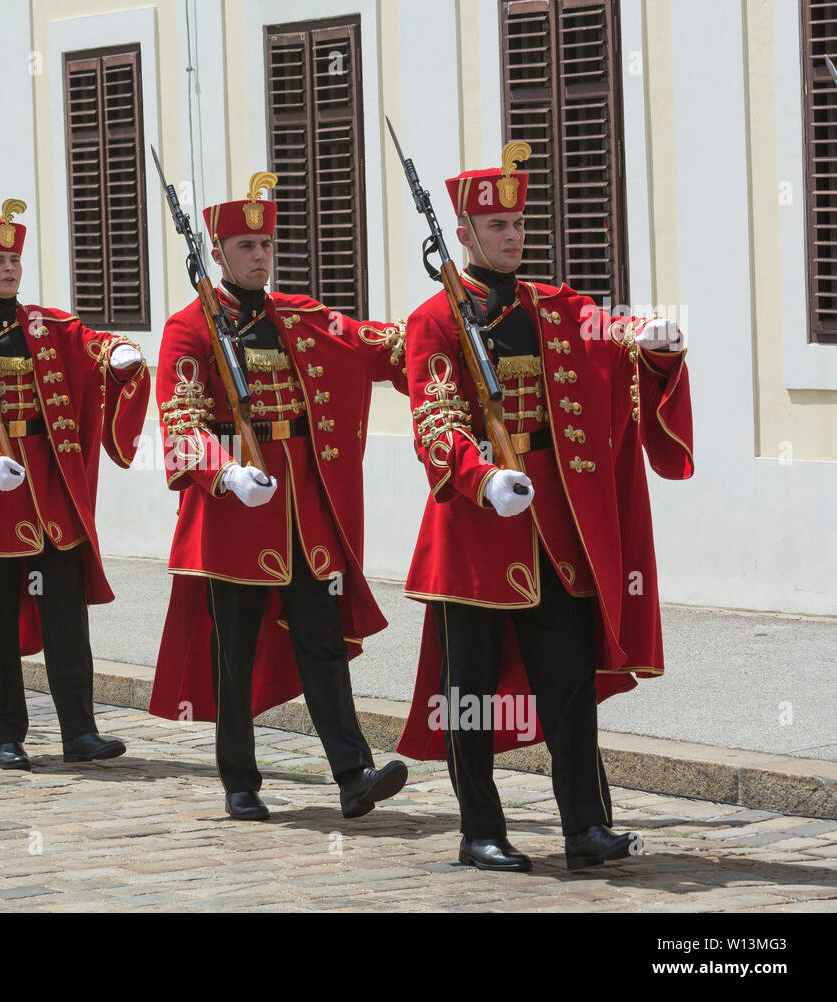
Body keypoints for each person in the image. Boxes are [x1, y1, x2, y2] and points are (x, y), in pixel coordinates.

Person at [396, 143, 694, 871]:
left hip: (552, 534)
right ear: (462, 236)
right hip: (474, 533)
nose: (513, 236)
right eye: (496, 226)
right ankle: (479, 830)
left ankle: (586, 829)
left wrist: (656, 344)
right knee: (467, 695)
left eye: (519, 223)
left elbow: (610, 334)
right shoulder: (433, 320)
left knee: (568, 683)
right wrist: (479, 478)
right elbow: (435, 420)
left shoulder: (553, 308)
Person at [148, 172, 411, 820]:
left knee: (320, 642)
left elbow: (380, 348)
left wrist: (447, 341)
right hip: (235, 513)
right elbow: (178, 417)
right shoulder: (190, 327)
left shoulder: (298, 315)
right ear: (217, 253)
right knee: (232, 652)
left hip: (304, 513)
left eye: (265, 245)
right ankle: (240, 778)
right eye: (244, 246)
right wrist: (223, 471)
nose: (259, 256)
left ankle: (353, 774)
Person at [0, 201, 149, 770]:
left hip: (50, 493)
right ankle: (7, 734)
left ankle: (80, 731)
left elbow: (90, 343)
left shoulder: (46, 324)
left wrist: (119, 358)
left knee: (65, 618)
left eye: (14, 260)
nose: (9, 270)